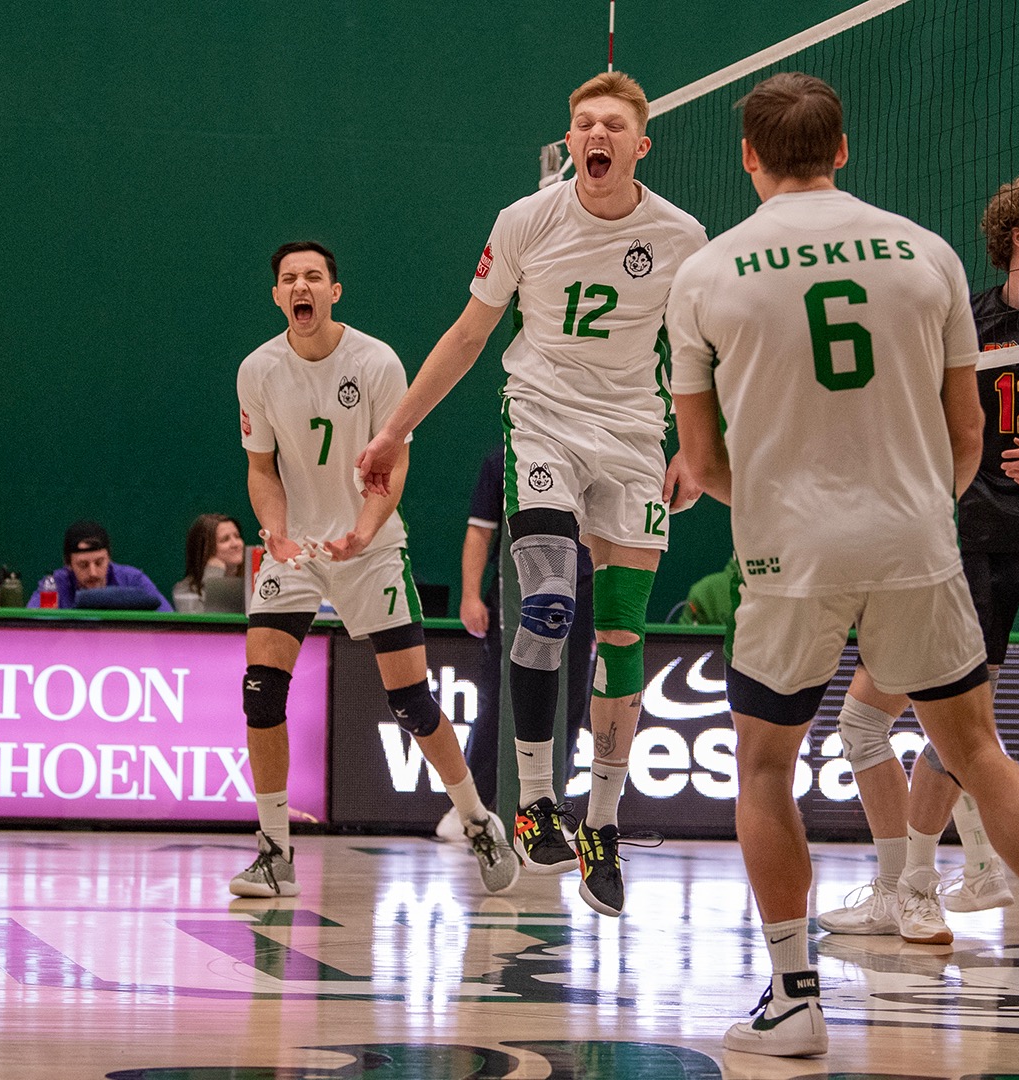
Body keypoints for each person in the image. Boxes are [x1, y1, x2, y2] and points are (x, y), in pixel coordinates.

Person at [667, 72, 1019, 1065]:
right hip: (918, 534)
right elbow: (967, 436)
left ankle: (794, 1000)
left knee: (764, 765)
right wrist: (911, 504)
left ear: (748, 156)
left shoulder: (705, 275)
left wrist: (786, 506)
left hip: (791, 549)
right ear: (843, 149)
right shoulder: (926, 258)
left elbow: (701, 466)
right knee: (976, 748)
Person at [358, 72, 707, 916]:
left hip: (632, 435)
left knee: (622, 635)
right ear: (573, 139)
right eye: (584, 123)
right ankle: (537, 798)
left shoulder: (682, 235)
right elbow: (471, 331)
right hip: (543, 417)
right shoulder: (525, 220)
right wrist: (396, 428)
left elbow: (704, 349)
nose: (597, 135)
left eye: (613, 125)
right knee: (549, 602)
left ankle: (604, 823)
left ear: (639, 145)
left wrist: (698, 448)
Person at [818, 170, 1019, 947]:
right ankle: (916, 886)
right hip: (976, 543)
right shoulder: (963, 325)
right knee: (960, 728)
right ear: (1018, 237)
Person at [233, 240, 517, 899]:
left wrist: (363, 530)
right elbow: (260, 469)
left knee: (411, 701)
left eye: (313, 277)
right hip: (297, 550)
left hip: (372, 545)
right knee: (260, 690)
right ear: (277, 295)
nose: (300, 286)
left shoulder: (377, 361)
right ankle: (274, 852)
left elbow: (392, 467)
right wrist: (274, 530)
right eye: (288, 279)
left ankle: (476, 819)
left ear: (335, 290)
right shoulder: (257, 370)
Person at [437, 445, 594, 841]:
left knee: (571, 700)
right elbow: (479, 531)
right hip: (519, 589)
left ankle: (548, 808)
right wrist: (470, 595)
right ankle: (473, 809)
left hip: (581, 588)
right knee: (501, 696)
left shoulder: (593, 453)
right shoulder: (503, 459)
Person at [30, 520, 172, 611]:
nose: (93, 573)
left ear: (109, 558)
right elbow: (33, 626)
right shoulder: (53, 585)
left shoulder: (133, 579)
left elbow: (167, 620)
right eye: (83, 565)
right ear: (68, 564)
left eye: (99, 563)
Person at [174, 512, 247, 612]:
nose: (235, 544)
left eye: (237, 536)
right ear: (205, 549)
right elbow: (198, 624)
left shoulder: (253, 582)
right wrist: (214, 575)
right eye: (225, 539)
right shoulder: (185, 590)